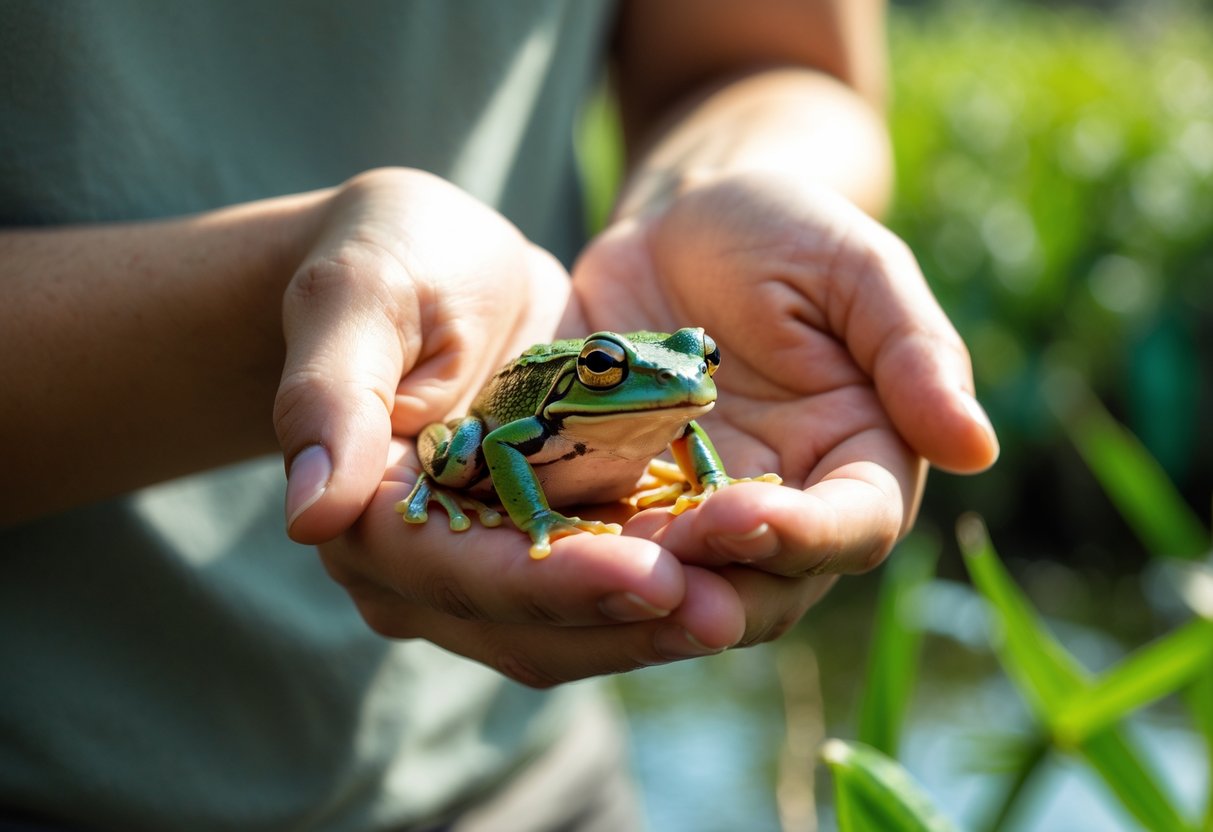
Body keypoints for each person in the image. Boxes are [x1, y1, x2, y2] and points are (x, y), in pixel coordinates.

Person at [0, 0, 999, 829]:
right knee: (467, 446)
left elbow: (769, 63)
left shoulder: (673, 395)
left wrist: (710, 187)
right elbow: (507, 441)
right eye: (617, 369)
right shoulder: (545, 415)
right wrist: (293, 314)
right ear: (591, 371)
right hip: (49, 777)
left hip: (534, 782)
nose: (690, 383)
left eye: (704, 361)